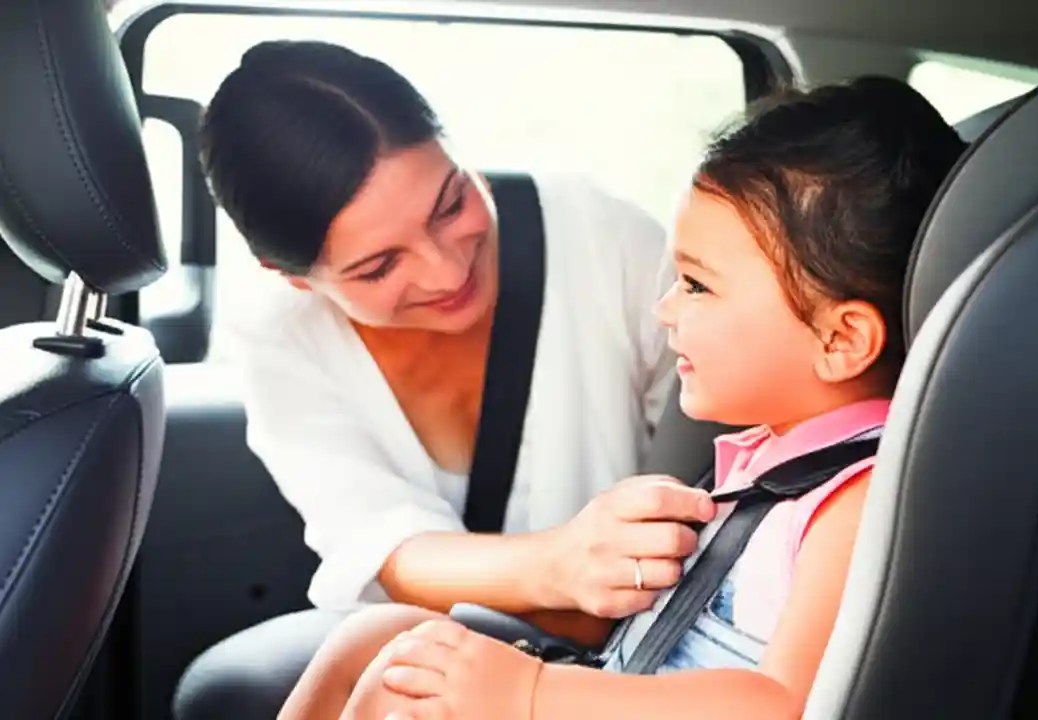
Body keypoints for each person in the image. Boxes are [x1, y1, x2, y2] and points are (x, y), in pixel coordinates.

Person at [275, 76, 967, 719]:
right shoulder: (769, 460)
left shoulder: (856, 499)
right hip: (622, 678)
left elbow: (781, 706)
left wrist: (533, 691)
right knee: (379, 641)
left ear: (841, 340)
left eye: (696, 286)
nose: (665, 309)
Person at [173, 40, 722, 720]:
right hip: (458, 633)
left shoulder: (604, 238)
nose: (447, 271)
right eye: (379, 267)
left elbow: (718, 446)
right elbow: (383, 546)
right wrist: (560, 565)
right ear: (293, 277)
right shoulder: (281, 337)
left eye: (451, 204)